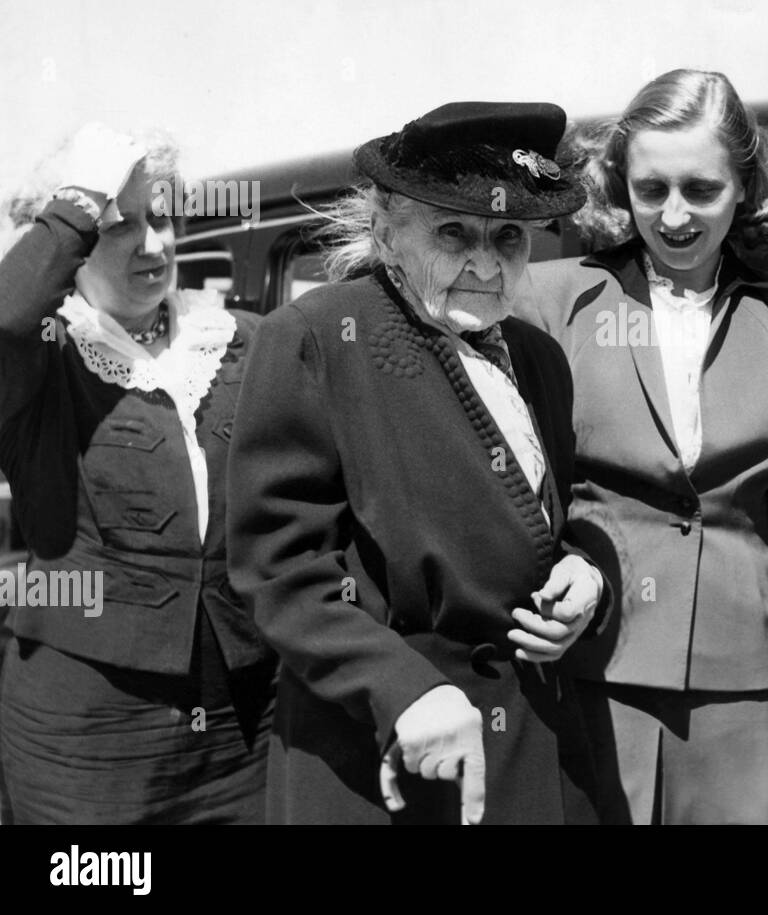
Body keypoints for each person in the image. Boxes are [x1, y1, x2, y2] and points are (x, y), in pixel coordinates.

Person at [226, 102, 607, 825]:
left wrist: (587, 573)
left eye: (510, 238)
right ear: (386, 231)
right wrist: (401, 688)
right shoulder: (315, 337)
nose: (486, 263)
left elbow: (565, 516)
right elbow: (278, 569)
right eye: (454, 232)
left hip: (533, 746)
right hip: (384, 754)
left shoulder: (538, 356)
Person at [518, 69, 768, 824]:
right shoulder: (548, 302)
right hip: (594, 672)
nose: (673, 216)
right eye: (650, 189)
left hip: (749, 688)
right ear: (619, 186)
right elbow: (521, 490)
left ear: (745, 187)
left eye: (701, 190)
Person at [0, 123, 276, 824]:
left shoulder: (239, 341)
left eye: (162, 218)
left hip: (243, 725)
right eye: (120, 225)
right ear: (72, 238)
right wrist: (83, 196)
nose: (153, 244)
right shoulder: (46, 351)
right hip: (88, 738)